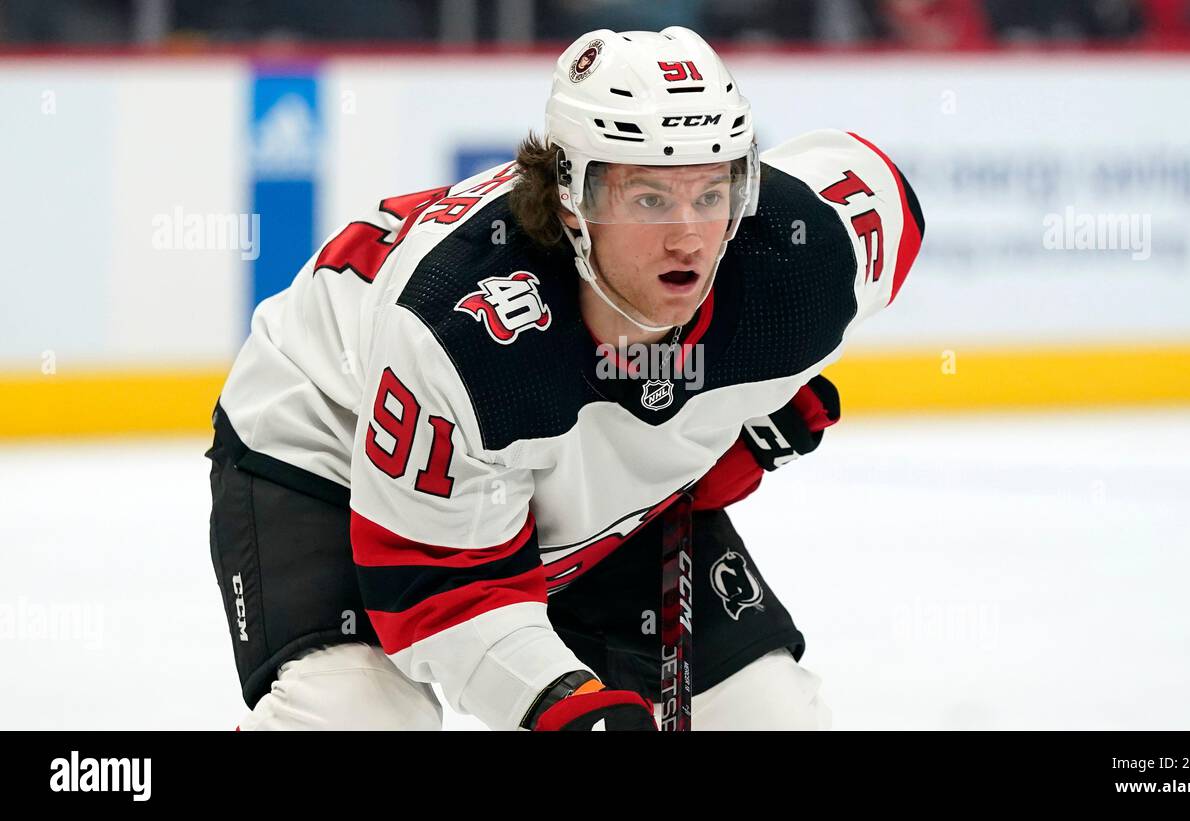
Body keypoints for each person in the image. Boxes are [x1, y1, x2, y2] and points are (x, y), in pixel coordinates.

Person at [207, 25, 924, 731]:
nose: (689, 237)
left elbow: (886, 194)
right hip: (329, 439)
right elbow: (438, 587)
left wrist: (726, 416)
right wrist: (565, 703)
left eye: (711, 193)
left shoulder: (806, 255)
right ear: (569, 198)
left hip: (544, 473)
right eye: (647, 199)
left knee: (768, 716)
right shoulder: (457, 335)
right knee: (361, 716)